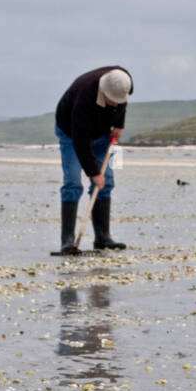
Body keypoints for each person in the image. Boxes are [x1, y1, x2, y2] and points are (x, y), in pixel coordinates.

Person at [54, 66, 133, 253]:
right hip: (71, 133)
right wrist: (94, 173)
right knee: (73, 182)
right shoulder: (85, 97)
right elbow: (80, 142)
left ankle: (102, 237)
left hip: (103, 133)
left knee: (107, 181)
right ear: (104, 91)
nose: (116, 104)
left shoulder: (124, 81)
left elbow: (122, 105)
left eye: (118, 101)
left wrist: (119, 125)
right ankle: (68, 241)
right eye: (112, 100)